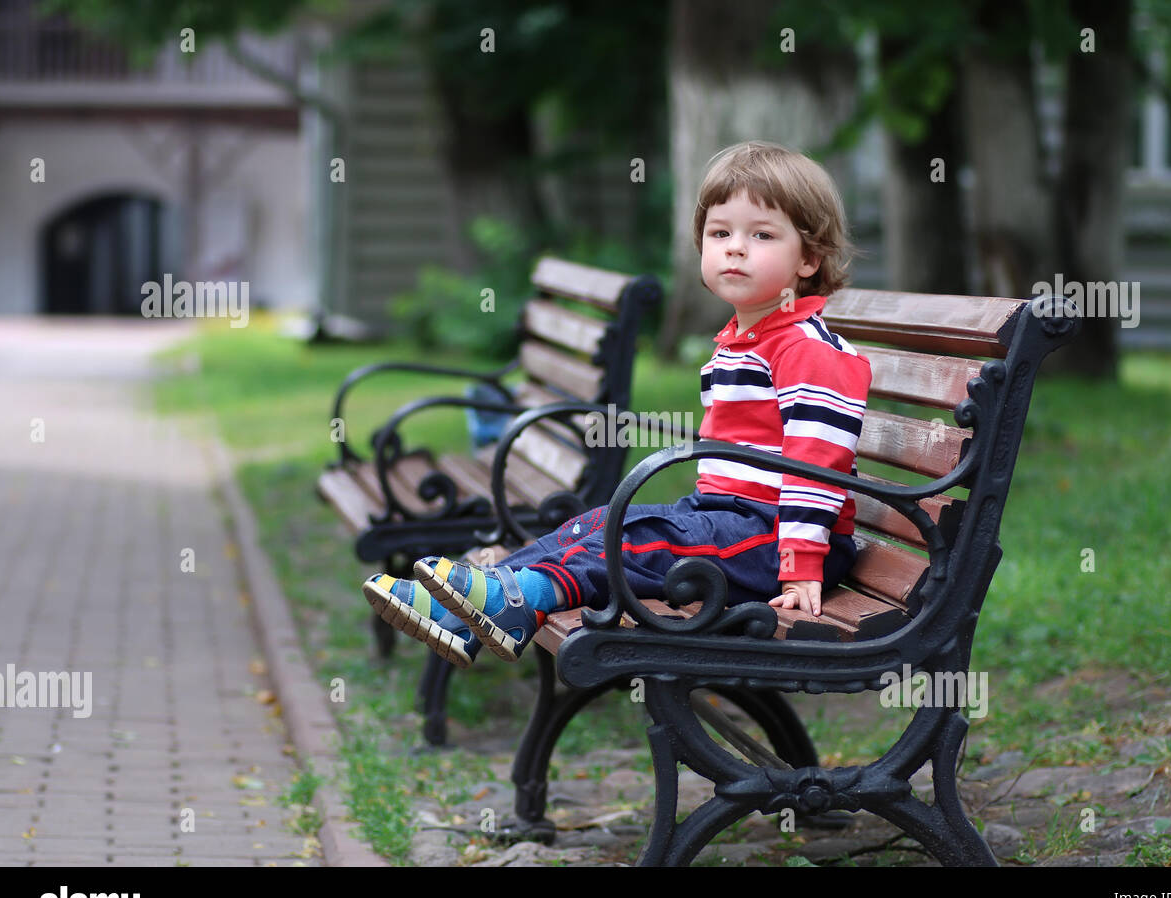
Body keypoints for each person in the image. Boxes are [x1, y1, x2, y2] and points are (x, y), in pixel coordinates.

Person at [363, 140, 873, 668]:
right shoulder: (745, 339)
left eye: (762, 235)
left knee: (632, 546)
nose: (735, 248)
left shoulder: (806, 350)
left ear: (809, 258)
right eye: (720, 233)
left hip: (772, 539)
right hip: (730, 522)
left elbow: (819, 464)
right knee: (595, 525)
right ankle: (477, 607)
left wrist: (800, 562)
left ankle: (519, 599)